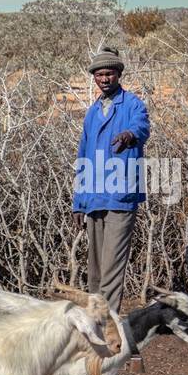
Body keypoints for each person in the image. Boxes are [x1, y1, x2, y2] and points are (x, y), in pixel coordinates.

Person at [72, 46, 150, 315]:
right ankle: (95, 321)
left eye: (110, 74)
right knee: (94, 270)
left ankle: (108, 326)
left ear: (119, 75)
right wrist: (78, 204)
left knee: (112, 268)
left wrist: (130, 134)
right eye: (100, 75)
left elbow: (142, 126)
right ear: (95, 77)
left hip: (120, 196)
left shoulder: (132, 104)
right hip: (94, 197)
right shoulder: (92, 112)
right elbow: (83, 157)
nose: (105, 79)